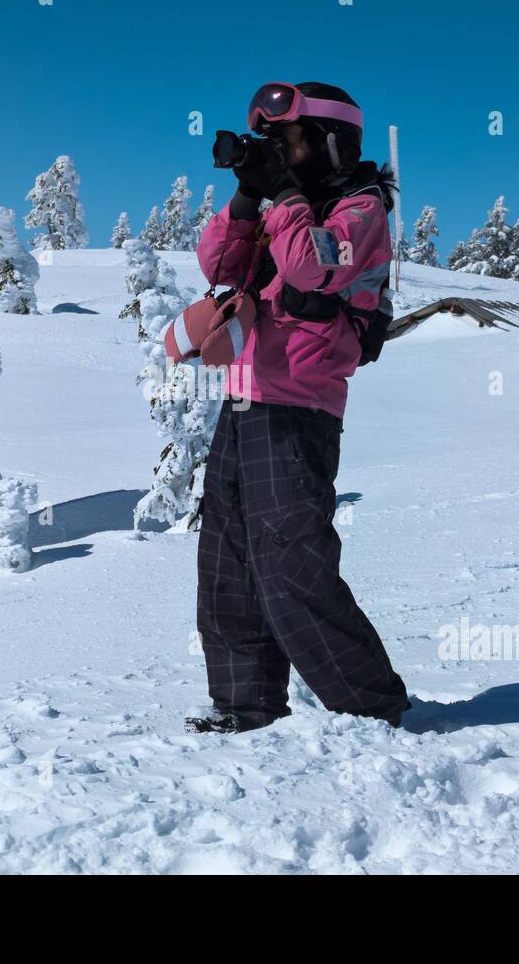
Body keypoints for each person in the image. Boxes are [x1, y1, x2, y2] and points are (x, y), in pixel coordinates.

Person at [186, 81, 411, 734]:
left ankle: (371, 704)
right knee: (228, 561)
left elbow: (313, 267)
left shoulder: (360, 207)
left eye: (294, 139)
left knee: (292, 564)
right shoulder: (289, 204)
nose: (284, 151)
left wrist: (282, 197)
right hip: (246, 399)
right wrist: (247, 194)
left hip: (300, 408)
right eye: (276, 142)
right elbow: (220, 261)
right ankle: (246, 703)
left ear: (332, 141)